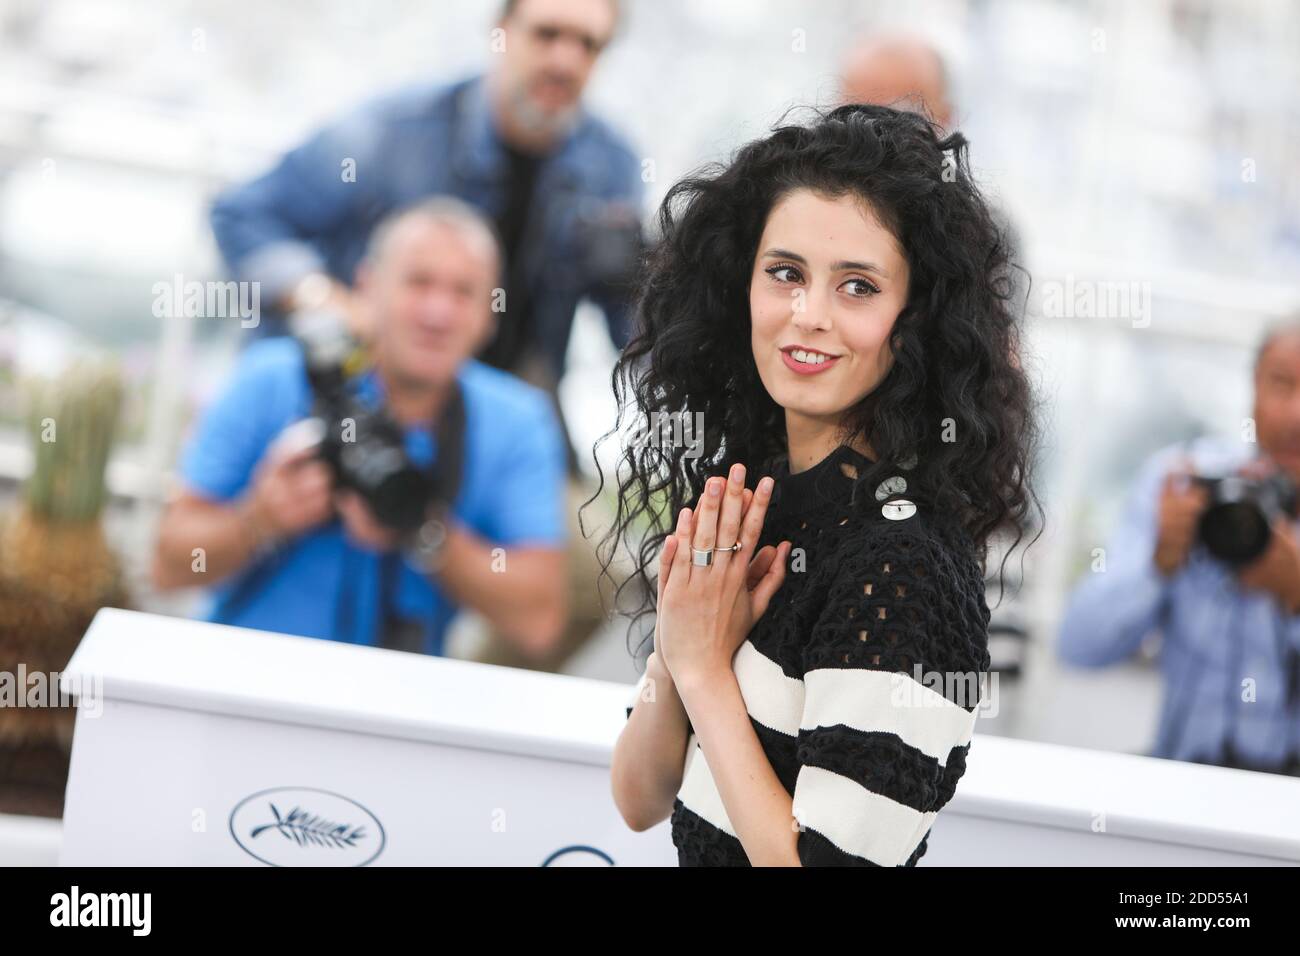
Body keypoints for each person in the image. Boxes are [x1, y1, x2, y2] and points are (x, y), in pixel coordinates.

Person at [604, 104, 1040, 866]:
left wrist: (705, 670)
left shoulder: (904, 570)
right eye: (786, 274)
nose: (809, 316)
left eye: (859, 287)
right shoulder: (753, 496)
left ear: (917, 322)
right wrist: (674, 656)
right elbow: (638, 799)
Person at [209, 0, 643, 672]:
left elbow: (637, 334)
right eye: (548, 34)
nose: (565, 59)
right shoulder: (391, 131)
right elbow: (244, 214)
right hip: (365, 393)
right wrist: (329, 299)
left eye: (588, 44)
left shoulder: (611, 166)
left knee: (589, 581)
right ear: (502, 31)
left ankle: (450, 708)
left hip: (503, 422)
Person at [152, 197, 569, 659]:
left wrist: (422, 531)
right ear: (367, 287)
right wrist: (261, 518)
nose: (438, 312)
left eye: (464, 292)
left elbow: (539, 620)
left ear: (492, 313)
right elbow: (168, 564)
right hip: (244, 678)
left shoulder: (515, 421)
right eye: (418, 282)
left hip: (395, 705)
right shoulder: (275, 378)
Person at [1058, 318, 1300, 776]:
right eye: (1281, 384)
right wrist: (1159, 562)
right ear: (1252, 390)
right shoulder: (1182, 482)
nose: (1294, 414)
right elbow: (1078, 645)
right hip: (1181, 775)